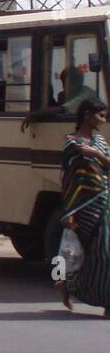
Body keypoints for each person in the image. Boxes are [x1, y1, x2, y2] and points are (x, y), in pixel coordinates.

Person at [56, 99, 110, 315]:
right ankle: (63, 284)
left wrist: (96, 154)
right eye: (101, 115)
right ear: (88, 115)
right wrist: (69, 212)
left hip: (103, 202)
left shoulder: (100, 142)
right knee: (71, 252)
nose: (104, 120)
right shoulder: (71, 144)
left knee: (103, 254)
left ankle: (107, 302)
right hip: (80, 207)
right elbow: (67, 179)